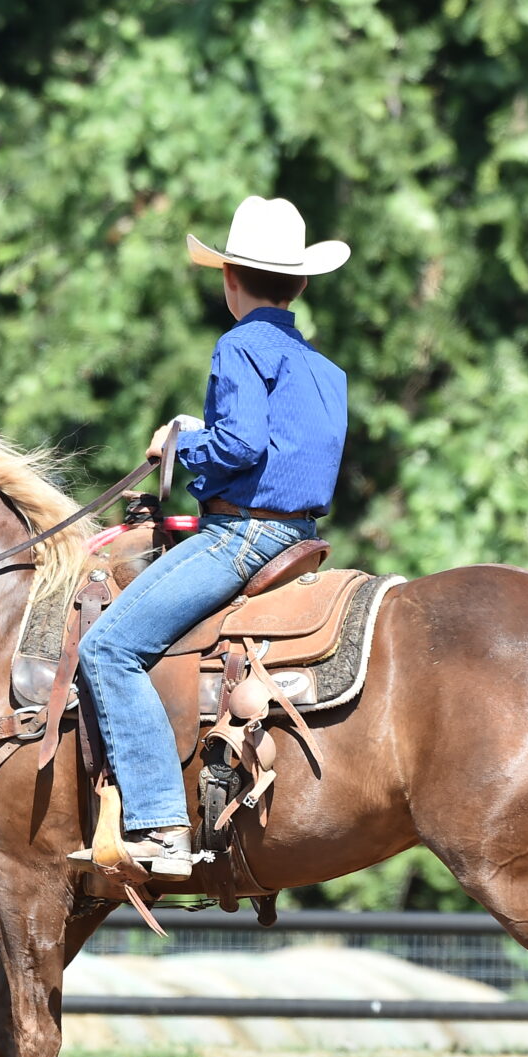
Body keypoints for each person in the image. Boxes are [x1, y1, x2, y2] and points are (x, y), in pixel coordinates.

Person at [76, 196, 350, 880]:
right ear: (303, 284)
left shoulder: (238, 346)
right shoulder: (322, 369)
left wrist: (182, 443)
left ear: (229, 279)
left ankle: (161, 823)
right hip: (299, 535)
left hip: (242, 536)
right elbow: (281, 445)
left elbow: (240, 442)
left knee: (107, 646)